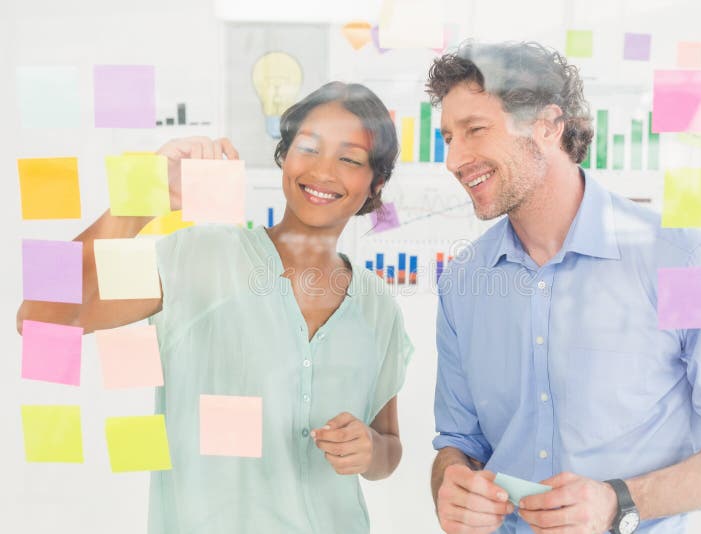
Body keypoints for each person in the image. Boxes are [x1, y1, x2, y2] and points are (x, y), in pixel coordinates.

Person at [17, 81, 413, 534]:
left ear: (375, 182)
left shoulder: (377, 305)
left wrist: (370, 450)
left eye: (349, 159)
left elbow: (390, 449)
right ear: (284, 156)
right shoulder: (198, 258)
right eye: (309, 148)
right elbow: (39, 318)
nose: (323, 171)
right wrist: (138, 198)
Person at [426, 42, 701, 534]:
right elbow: (460, 443)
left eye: (475, 130)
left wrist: (619, 501)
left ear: (548, 125)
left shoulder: (681, 263)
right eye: (448, 136)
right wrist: (450, 483)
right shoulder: (465, 282)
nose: (454, 158)